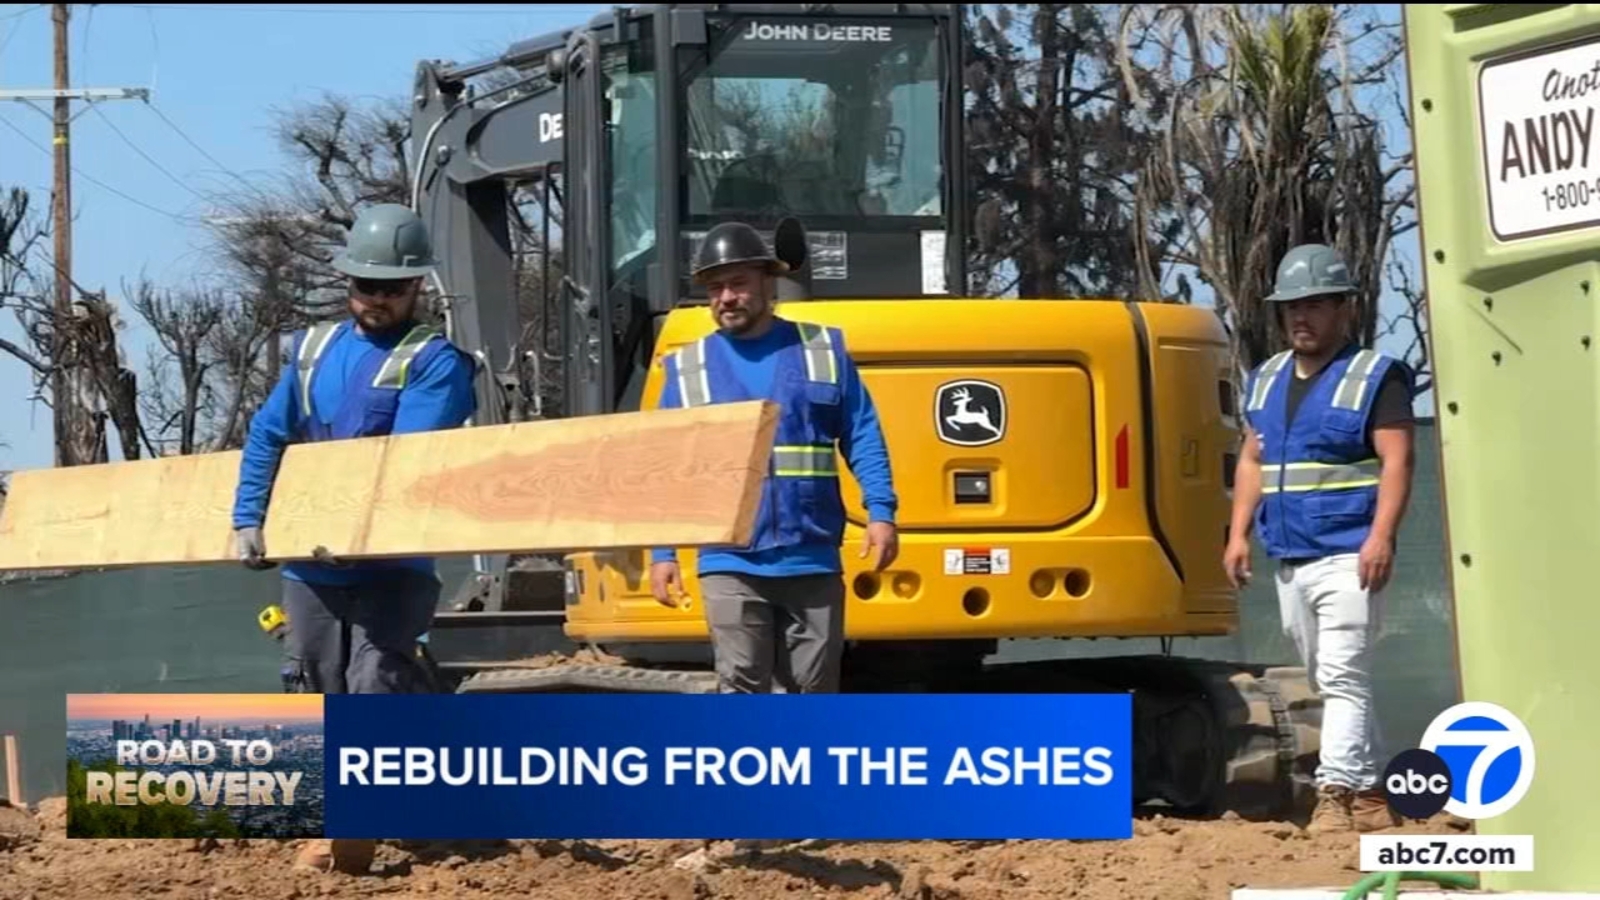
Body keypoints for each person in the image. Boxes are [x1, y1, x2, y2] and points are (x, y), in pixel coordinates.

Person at [229, 203, 477, 873]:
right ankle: (345, 816)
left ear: (417, 287)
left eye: (393, 288)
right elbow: (268, 433)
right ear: (348, 283)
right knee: (316, 690)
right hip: (313, 567)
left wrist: (340, 519)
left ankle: (367, 824)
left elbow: (402, 461)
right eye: (368, 286)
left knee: (378, 682)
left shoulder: (434, 362)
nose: (378, 300)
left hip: (391, 563)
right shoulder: (312, 351)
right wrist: (249, 518)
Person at [647, 221, 899, 695]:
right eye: (715, 287)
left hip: (812, 555)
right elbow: (668, 467)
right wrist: (663, 554)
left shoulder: (821, 351)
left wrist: (881, 512)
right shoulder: (688, 367)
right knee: (740, 682)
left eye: (738, 283)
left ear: (768, 283)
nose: (726, 297)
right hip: (728, 558)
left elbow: (862, 432)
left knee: (815, 688)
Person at [1223, 243, 1416, 835]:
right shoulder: (1266, 378)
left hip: (1349, 553)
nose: (1300, 318)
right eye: (1291, 308)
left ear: (1343, 310)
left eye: (1314, 305)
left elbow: (1399, 461)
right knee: (1330, 678)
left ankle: (1332, 793)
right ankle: (1375, 790)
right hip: (1291, 557)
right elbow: (1252, 461)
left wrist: (1381, 536)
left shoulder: (1373, 378)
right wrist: (1237, 535)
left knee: (1341, 676)